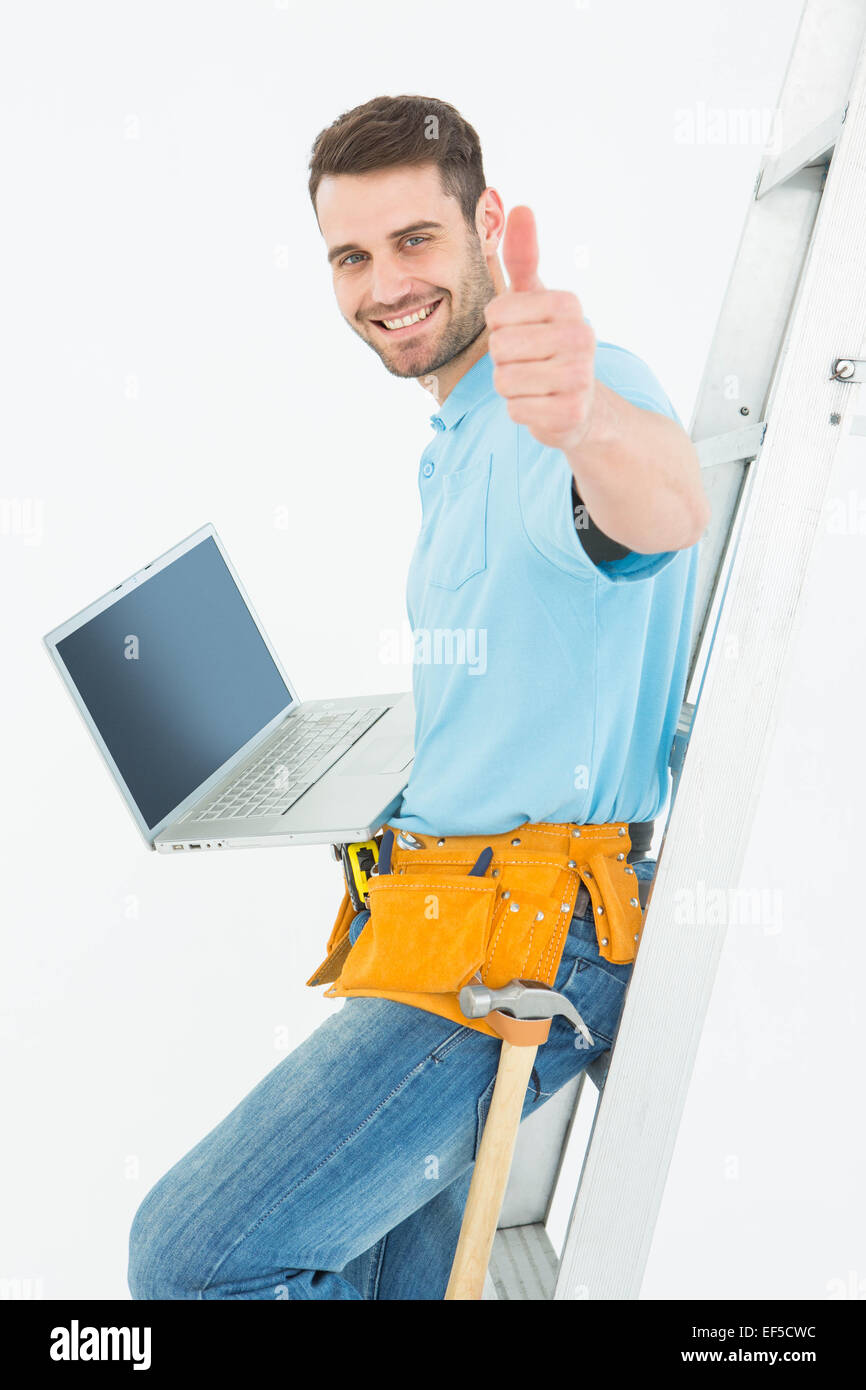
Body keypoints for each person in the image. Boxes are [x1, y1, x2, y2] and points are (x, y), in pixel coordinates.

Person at [128, 94, 709, 1301]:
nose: (383, 284)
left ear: (486, 224)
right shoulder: (461, 423)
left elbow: (655, 510)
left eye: (415, 241)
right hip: (450, 901)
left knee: (189, 1262)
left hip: (530, 933)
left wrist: (586, 415)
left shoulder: (558, 397)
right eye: (351, 255)